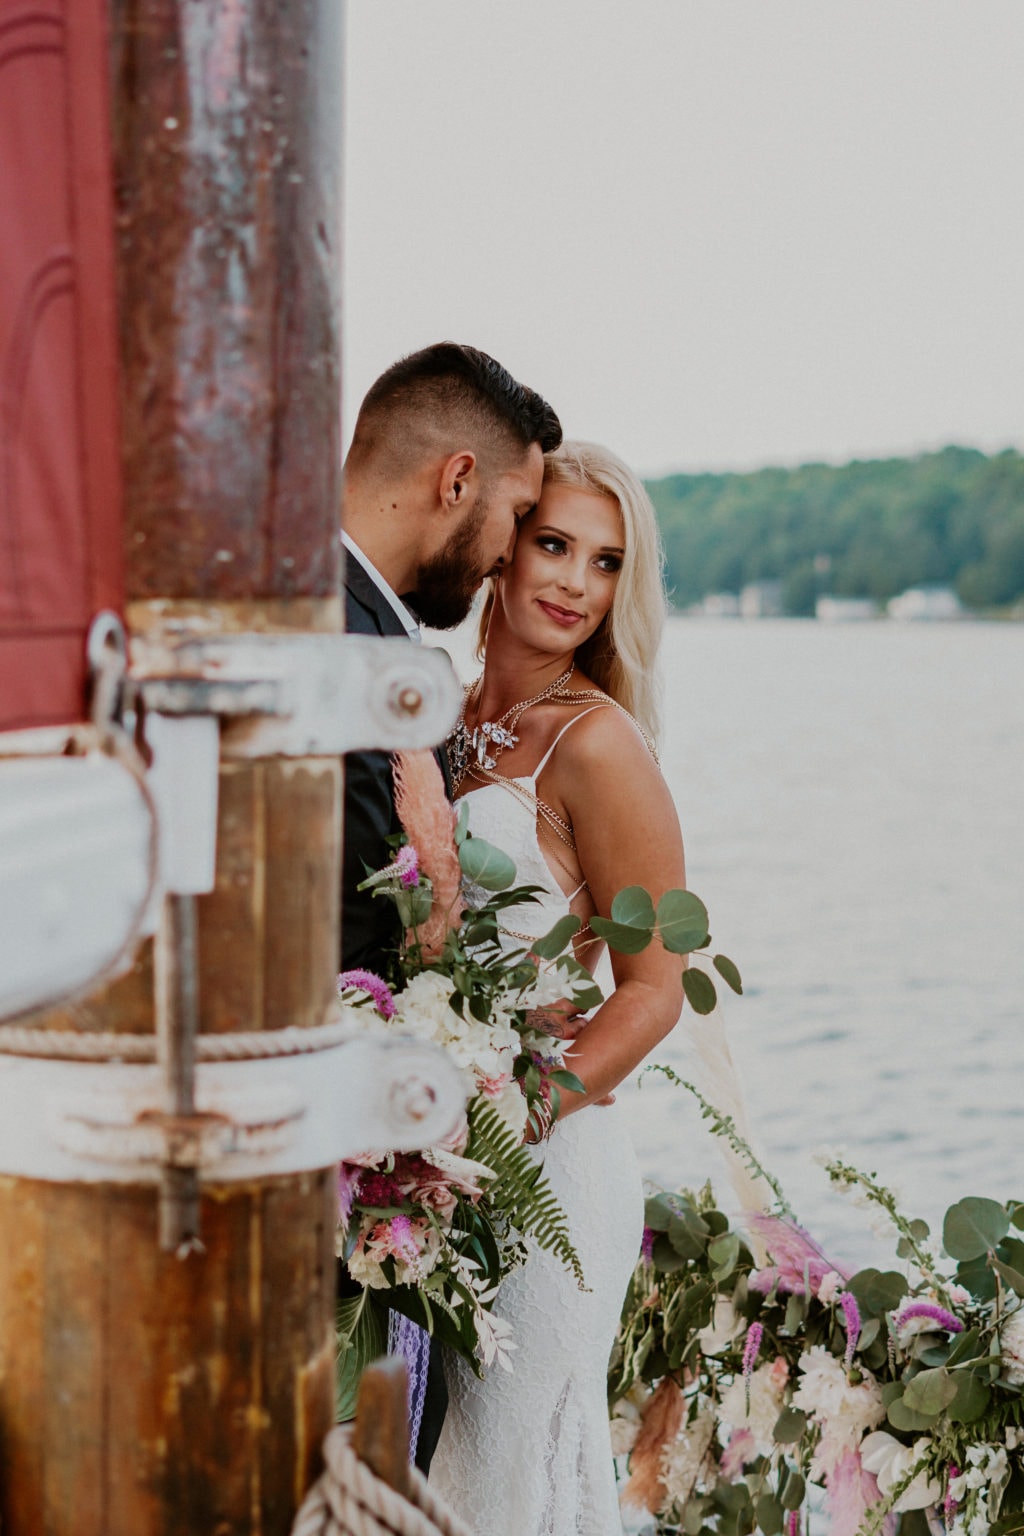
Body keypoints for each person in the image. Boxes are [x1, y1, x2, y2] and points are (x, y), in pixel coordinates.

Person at [430, 441, 687, 1533]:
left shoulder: (597, 744)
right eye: (552, 544)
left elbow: (654, 989)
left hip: (539, 1174)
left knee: (504, 1477)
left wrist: (509, 1121)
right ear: (500, 548)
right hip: (430, 1160)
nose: (576, 581)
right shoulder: (434, 715)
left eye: (605, 561)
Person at [339, 341, 562, 1472]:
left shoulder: (358, 628)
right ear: (456, 479)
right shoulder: (338, 644)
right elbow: (357, 927)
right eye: (517, 513)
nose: (512, 553)